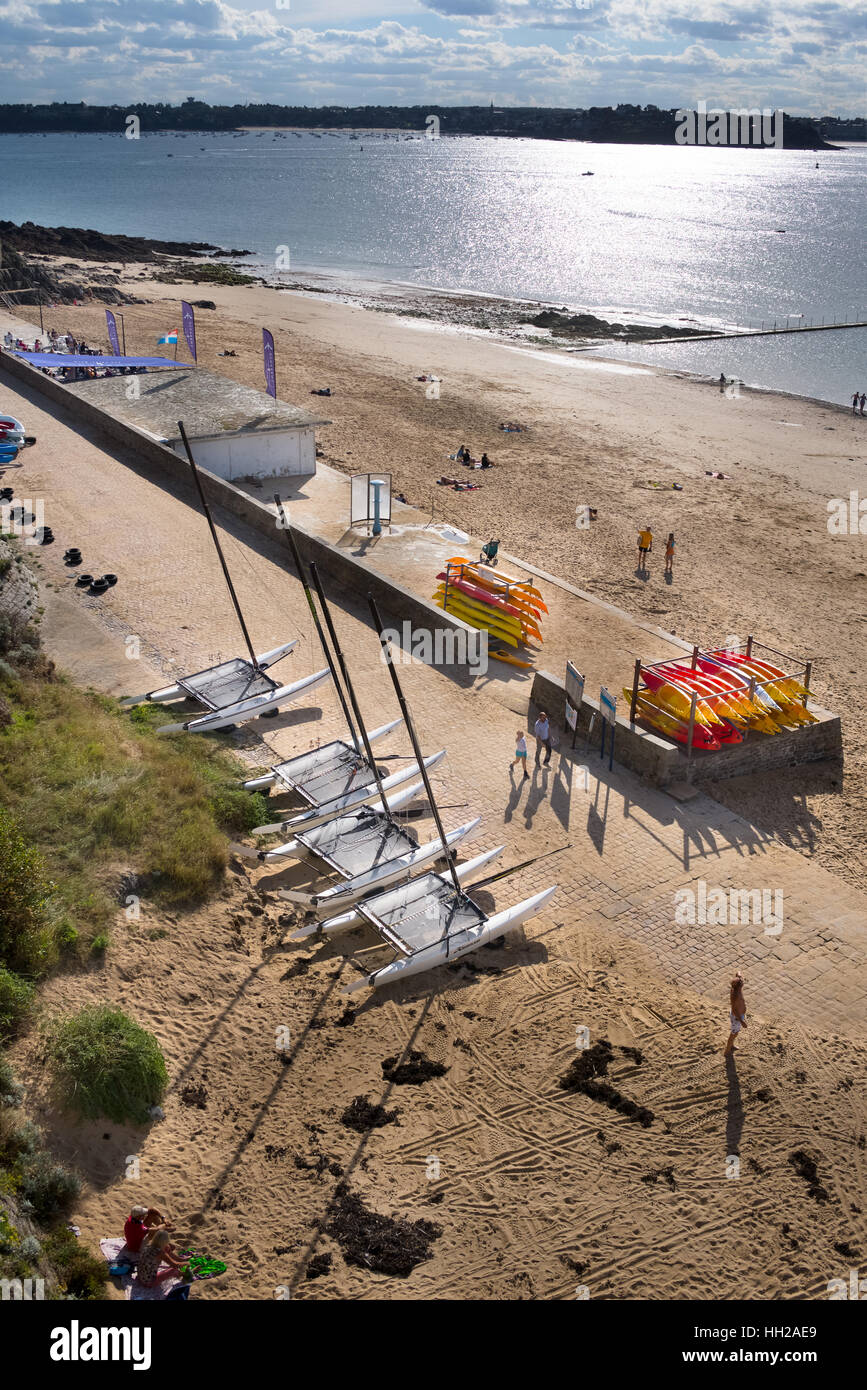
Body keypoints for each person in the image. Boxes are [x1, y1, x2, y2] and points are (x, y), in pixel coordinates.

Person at [724, 971, 747, 1055]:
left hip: (739, 1016)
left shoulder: (736, 988)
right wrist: (742, 1021)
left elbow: (738, 972)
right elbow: (734, 1010)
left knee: (735, 1033)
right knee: (734, 1034)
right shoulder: (736, 996)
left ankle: (731, 1045)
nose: (743, 982)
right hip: (737, 1018)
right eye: (741, 982)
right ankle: (727, 1050)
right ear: (739, 986)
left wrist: (739, 976)